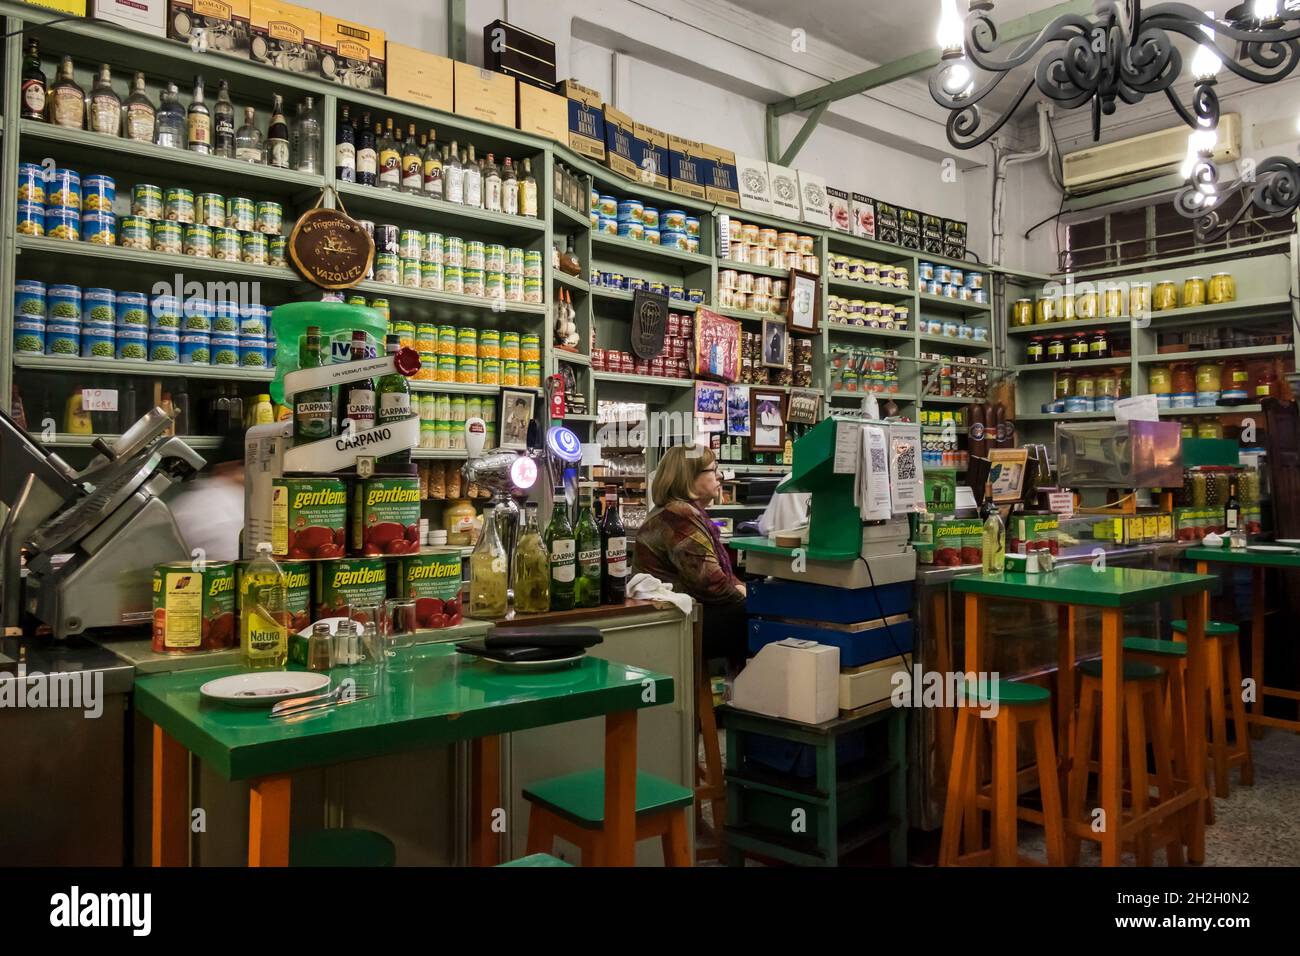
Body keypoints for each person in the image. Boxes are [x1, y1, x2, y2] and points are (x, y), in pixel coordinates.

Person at [634, 444, 748, 667]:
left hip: (679, 615)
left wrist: (740, 588)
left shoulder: (675, 511)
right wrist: (745, 595)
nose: (720, 476)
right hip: (676, 622)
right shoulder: (680, 515)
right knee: (763, 620)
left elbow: (718, 574)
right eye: (713, 469)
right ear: (689, 476)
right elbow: (709, 582)